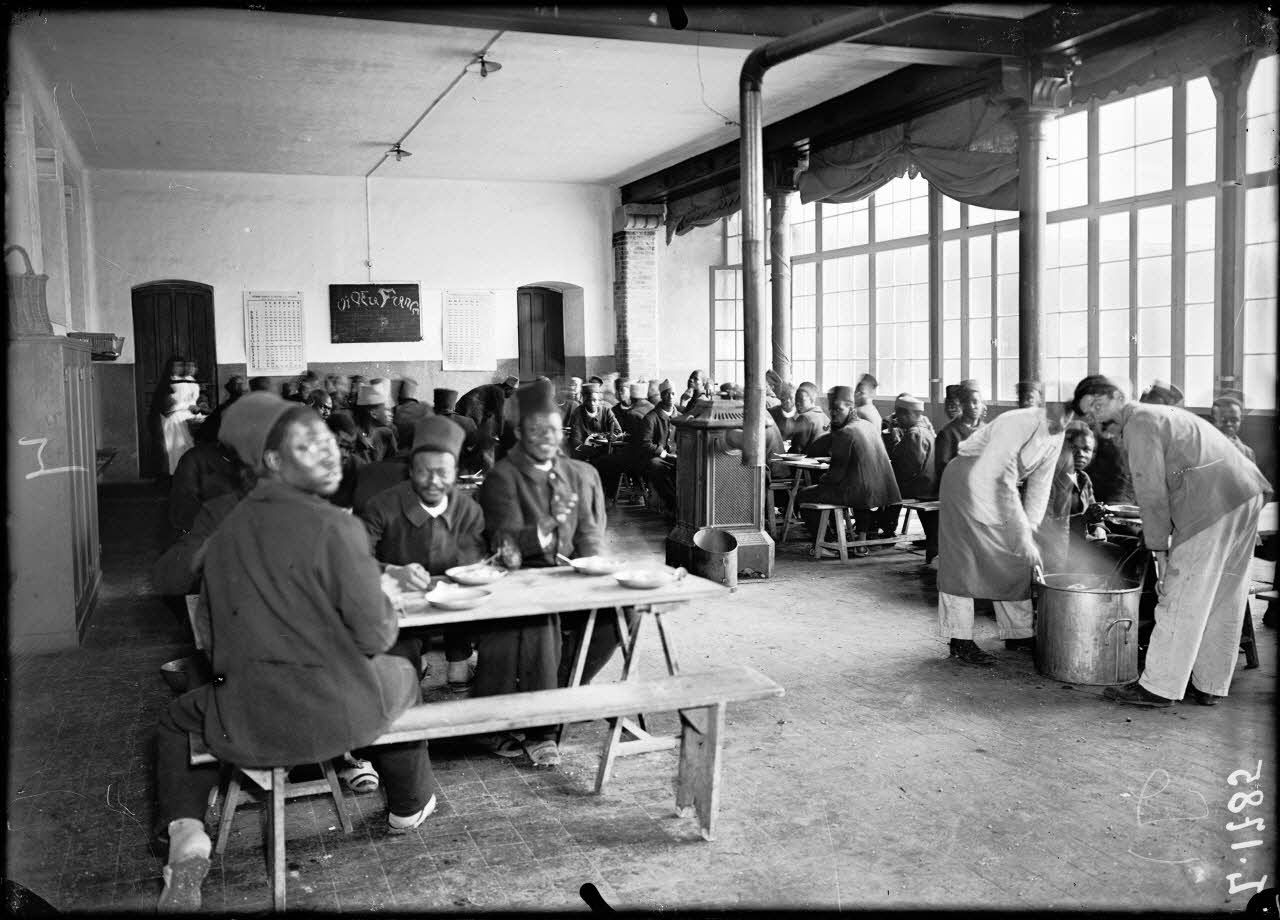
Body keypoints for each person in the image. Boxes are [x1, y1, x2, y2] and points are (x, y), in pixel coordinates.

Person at [152, 395, 435, 911]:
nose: (329, 455)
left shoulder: (226, 530)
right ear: (274, 462)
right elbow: (373, 638)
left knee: (176, 720)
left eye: (329, 442)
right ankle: (409, 801)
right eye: (309, 446)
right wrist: (385, 600)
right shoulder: (336, 526)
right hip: (330, 720)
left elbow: (212, 639)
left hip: (246, 719)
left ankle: (187, 833)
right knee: (402, 671)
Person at [1073, 375, 1271, 707]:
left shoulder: (1140, 422)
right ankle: (1208, 684)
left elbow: (1151, 493)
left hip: (1211, 504)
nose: (1095, 417)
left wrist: (1159, 553)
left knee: (1180, 596)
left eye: (1098, 405)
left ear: (1119, 395)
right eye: (1088, 414)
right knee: (1224, 595)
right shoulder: (1162, 415)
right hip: (1245, 494)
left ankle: (1158, 687)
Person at [472, 382, 614, 767]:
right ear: (519, 433)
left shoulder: (580, 473)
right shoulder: (504, 476)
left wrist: (595, 568)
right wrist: (546, 528)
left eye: (553, 430)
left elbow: (588, 533)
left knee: (618, 615)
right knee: (541, 622)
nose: (547, 439)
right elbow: (505, 546)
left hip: (569, 577)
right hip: (522, 579)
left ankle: (563, 694)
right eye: (536, 431)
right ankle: (541, 731)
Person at [936, 401, 1069, 666]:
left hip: (999, 487)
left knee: (1015, 557)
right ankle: (959, 639)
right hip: (967, 480)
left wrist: (1029, 529)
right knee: (964, 561)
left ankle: (1019, 633)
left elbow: (1040, 483)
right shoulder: (1016, 422)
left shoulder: (1058, 433)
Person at [361, 416, 484, 693]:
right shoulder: (380, 506)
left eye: (443, 473)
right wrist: (390, 572)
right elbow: (357, 557)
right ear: (410, 471)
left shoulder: (468, 509)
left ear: (456, 473)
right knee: (401, 677)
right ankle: (416, 662)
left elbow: (475, 558)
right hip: (399, 607)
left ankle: (459, 664)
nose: (433, 481)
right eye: (423, 472)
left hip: (455, 608)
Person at [798, 386, 901, 554]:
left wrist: (822, 479)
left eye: (838, 409)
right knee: (842, 489)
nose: (833, 413)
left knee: (804, 494)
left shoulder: (845, 433)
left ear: (851, 408)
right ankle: (858, 542)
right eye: (831, 409)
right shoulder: (867, 426)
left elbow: (835, 476)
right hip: (883, 491)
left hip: (859, 494)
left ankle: (826, 543)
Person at [1035, 420, 1109, 575]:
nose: (1080, 454)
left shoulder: (1083, 478)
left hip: (1082, 539)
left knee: (1134, 546)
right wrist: (1083, 519)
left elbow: (1094, 512)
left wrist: (1099, 527)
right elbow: (1043, 526)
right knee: (1116, 554)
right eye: (1074, 448)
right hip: (1056, 548)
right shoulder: (1050, 479)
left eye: (1086, 449)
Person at [880, 394, 936, 553]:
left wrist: (893, 440)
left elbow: (908, 468)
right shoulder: (925, 431)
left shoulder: (914, 434)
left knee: (882, 487)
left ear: (908, 414)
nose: (898, 420)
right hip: (928, 485)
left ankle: (882, 530)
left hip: (921, 488)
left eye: (899, 416)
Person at [629, 379, 679, 517]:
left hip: (675, 457)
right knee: (656, 467)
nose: (670, 397)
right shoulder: (651, 418)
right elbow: (645, 443)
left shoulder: (680, 418)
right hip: (656, 458)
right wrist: (664, 454)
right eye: (667, 394)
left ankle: (684, 507)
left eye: (673, 393)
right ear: (661, 396)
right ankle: (673, 506)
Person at [567, 383, 626, 498]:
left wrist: (608, 436)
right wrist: (592, 449)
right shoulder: (578, 413)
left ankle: (609, 496)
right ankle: (595, 495)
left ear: (599, 399)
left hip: (605, 450)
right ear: (584, 400)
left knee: (614, 462)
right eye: (589, 400)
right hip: (585, 452)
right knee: (601, 462)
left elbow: (618, 431)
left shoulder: (606, 411)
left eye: (596, 400)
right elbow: (576, 441)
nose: (593, 403)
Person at [152, 356, 205, 479]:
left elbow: (190, 400)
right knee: (175, 449)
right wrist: (188, 406)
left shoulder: (187, 381)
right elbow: (168, 405)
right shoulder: (168, 383)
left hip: (186, 417)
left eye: (181, 365)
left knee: (188, 446)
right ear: (170, 367)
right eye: (176, 365)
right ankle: (175, 475)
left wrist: (197, 406)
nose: (180, 368)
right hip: (173, 419)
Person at [456, 375, 519, 471]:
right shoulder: (499, 392)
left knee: (480, 435)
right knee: (475, 438)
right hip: (470, 406)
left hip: (465, 406)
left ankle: (470, 463)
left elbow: (490, 416)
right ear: (508, 388)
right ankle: (470, 465)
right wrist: (501, 436)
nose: (511, 395)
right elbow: (500, 415)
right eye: (512, 392)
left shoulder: (493, 389)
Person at [934, 379, 984, 485]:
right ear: (961, 405)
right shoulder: (947, 434)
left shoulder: (987, 431)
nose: (972, 406)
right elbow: (943, 472)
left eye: (975, 402)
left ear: (982, 404)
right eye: (967, 402)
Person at [433, 387, 483, 474]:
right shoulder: (467, 422)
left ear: (435, 404)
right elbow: (475, 447)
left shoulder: (426, 420)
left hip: (431, 466)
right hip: (460, 468)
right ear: (453, 405)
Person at [352, 378, 399, 464]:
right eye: (386, 409)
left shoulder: (386, 435)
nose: (391, 414)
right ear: (373, 414)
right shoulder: (354, 439)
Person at [788, 382, 830, 455]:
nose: (797, 403)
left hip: (806, 464)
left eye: (801, 399)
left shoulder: (804, 418)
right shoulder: (825, 417)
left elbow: (797, 449)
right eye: (796, 399)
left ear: (812, 400)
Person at [1212, 393, 1255, 462]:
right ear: (1214, 420)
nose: (1229, 424)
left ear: (1240, 419)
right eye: (1223, 420)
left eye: (1234, 420)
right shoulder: (1203, 449)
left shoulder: (1248, 453)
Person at [393, 377, 433, 449]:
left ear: (399, 394)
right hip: (423, 449)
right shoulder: (426, 408)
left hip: (401, 452)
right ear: (414, 392)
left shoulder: (394, 411)